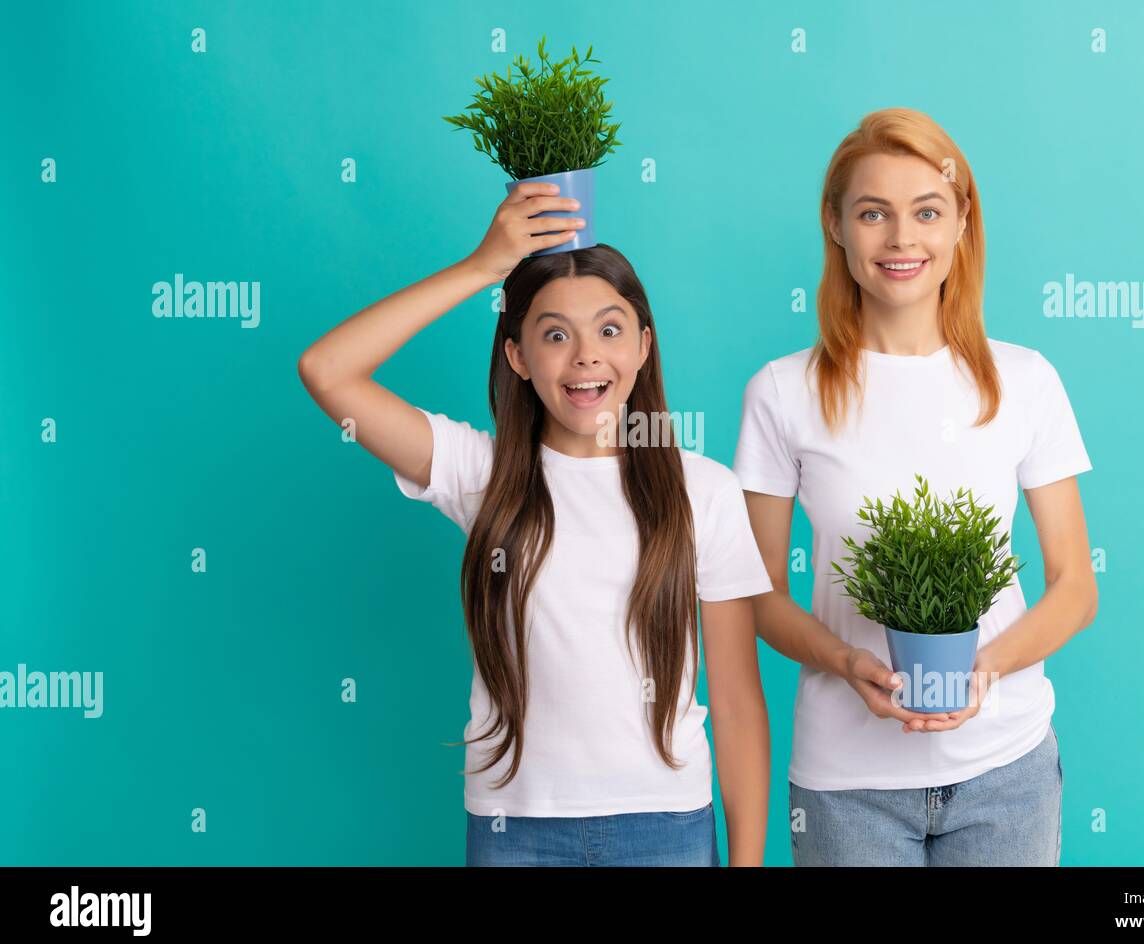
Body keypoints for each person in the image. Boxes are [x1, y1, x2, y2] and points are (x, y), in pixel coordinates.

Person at [298, 182, 773, 866]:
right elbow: (327, 370)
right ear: (518, 356)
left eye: (609, 330)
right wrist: (483, 267)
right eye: (555, 335)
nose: (585, 356)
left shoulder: (705, 491)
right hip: (513, 830)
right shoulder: (481, 473)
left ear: (643, 347)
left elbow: (735, 703)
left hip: (665, 825)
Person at [734, 108, 1097, 866]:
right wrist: (846, 663)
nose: (902, 240)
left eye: (927, 212)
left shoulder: (1024, 382)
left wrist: (985, 669)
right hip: (846, 786)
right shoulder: (781, 393)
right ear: (836, 225)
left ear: (962, 222)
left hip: (1007, 773)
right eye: (874, 214)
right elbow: (760, 596)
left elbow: (1073, 587)